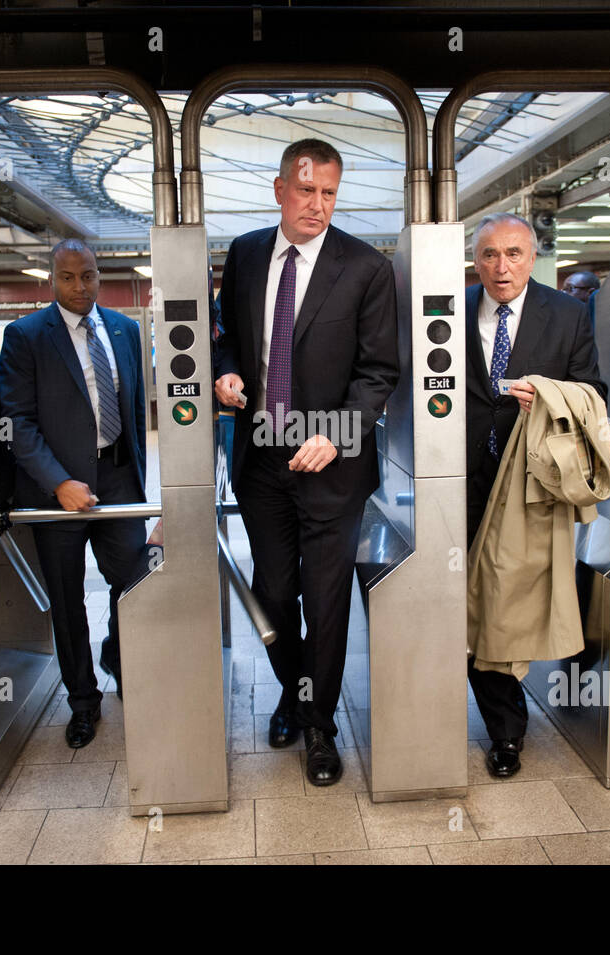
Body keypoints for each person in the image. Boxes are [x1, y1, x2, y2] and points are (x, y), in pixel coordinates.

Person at [213, 138, 399, 786]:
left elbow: (380, 372)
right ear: (279, 190)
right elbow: (227, 336)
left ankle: (318, 724)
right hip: (262, 458)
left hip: (332, 466)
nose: (317, 204)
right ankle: (296, 692)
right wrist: (227, 372)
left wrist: (340, 433)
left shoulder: (367, 268)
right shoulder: (244, 255)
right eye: (306, 190)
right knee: (271, 591)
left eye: (329, 193)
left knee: (325, 600)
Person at [464, 212, 606, 777]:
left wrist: (547, 395)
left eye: (514, 254)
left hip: (526, 483)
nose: (502, 268)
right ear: (476, 260)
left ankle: (506, 732)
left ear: (532, 255)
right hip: (458, 477)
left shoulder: (568, 314)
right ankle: (471, 713)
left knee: (502, 597)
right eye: (490, 255)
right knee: (463, 595)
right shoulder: (446, 307)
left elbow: (593, 391)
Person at [0, 239, 152, 748]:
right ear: (52, 280)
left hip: (117, 483)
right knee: (67, 600)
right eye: (68, 277)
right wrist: (58, 482)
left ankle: (121, 656)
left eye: (87, 276)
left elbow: (132, 409)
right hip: (55, 490)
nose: (80, 286)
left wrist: (135, 476)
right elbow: (16, 421)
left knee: (131, 584)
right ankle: (83, 703)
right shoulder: (26, 337)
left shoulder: (126, 330)